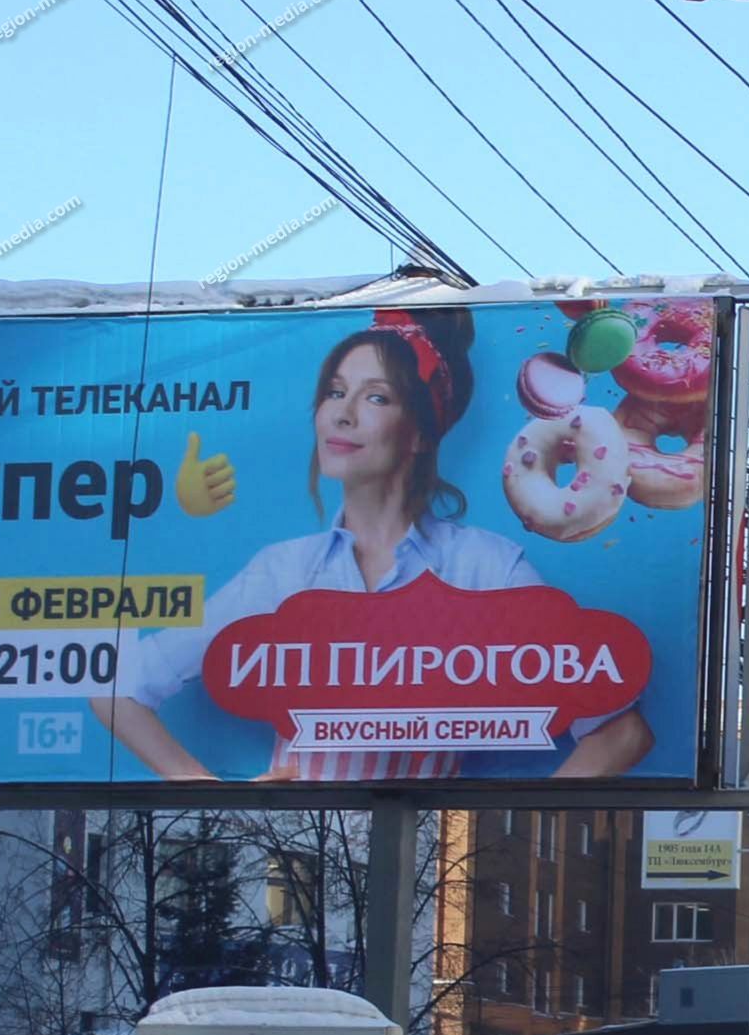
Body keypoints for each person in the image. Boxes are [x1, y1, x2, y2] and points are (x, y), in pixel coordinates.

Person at [93, 308, 654, 782]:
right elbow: (115, 686)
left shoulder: (485, 567)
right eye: (335, 392)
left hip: (433, 869)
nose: (342, 412)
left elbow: (621, 731)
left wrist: (505, 823)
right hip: (294, 867)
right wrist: (212, 791)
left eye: (375, 397)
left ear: (419, 431)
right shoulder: (284, 571)